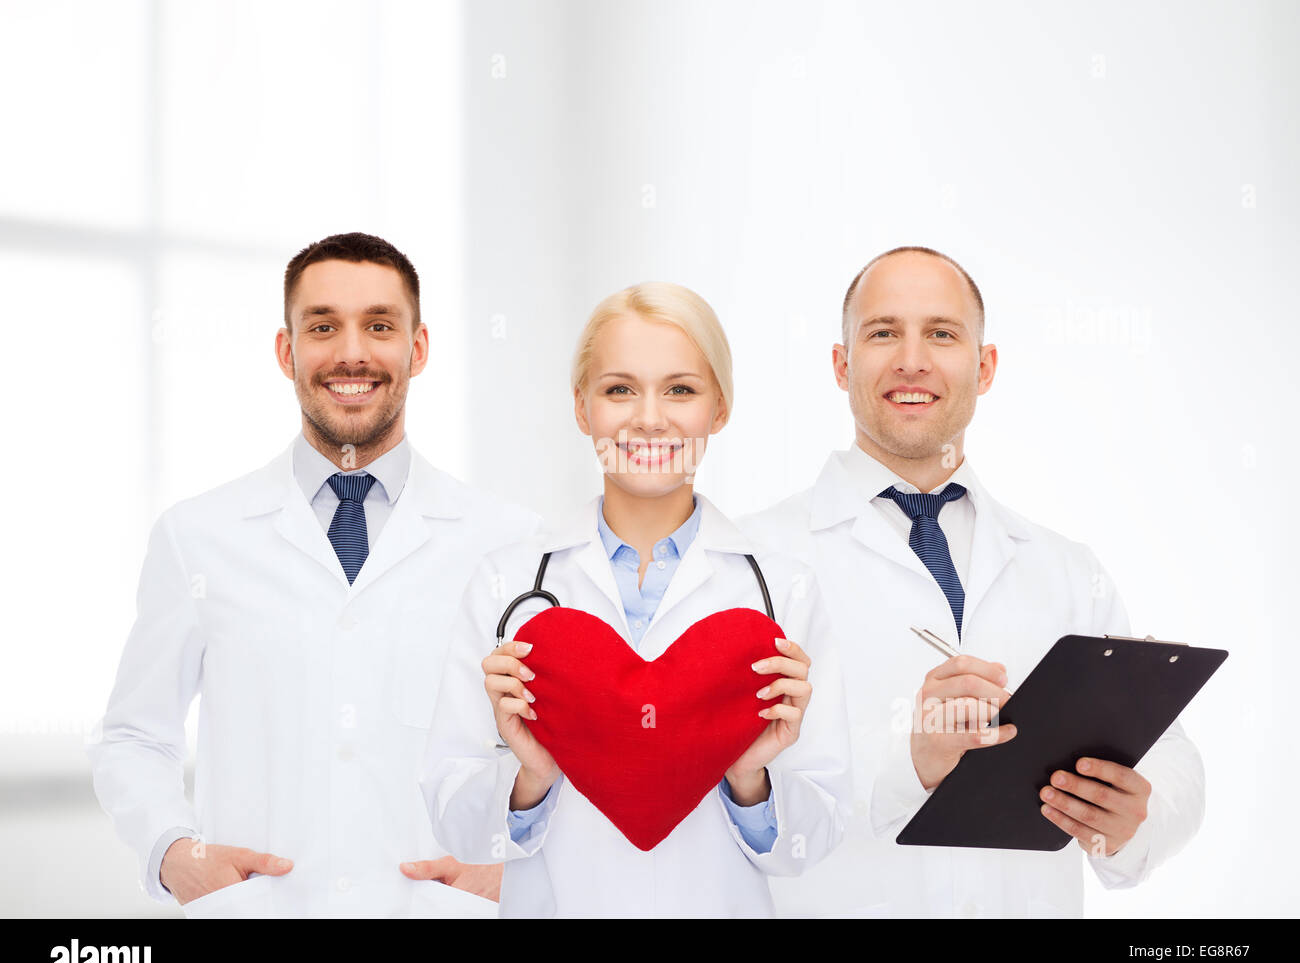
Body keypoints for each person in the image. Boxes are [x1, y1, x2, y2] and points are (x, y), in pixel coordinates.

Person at [742, 247, 1204, 917]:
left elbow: (1175, 759)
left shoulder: (1065, 568)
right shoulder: (758, 558)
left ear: (984, 367)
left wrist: (1135, 818)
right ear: (842, 366)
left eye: (941, 333)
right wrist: (911, 761)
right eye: (882, 332)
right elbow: (735, 798)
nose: (911, 359)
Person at [89, 232, 537, 917]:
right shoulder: (198, 536)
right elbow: (133, 735)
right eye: (323, 326)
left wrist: (513, 873)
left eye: (379, 326)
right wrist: (174, 854)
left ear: (417, 350)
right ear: (286, 351)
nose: (352, 351)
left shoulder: (506, 543)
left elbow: (560, 747)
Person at [420, 282, 851, 916]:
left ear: (720, 410)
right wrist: (532, 775)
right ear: (581, 408)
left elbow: (812, 841)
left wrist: (750, 775)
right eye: (619, 389)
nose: (649, 418)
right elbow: (456, 822)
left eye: (681, 389)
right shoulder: (505, 584)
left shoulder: (782, 591)